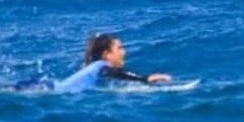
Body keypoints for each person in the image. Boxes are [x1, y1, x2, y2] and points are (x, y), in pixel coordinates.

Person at [16, 33, 172, 92]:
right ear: (106, 54)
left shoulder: (94, 66)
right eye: (119, 48)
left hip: (46, 86)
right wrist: (145, 79)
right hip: (45, 90)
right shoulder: (102, 66)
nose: (124, 52)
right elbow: (113, 73)